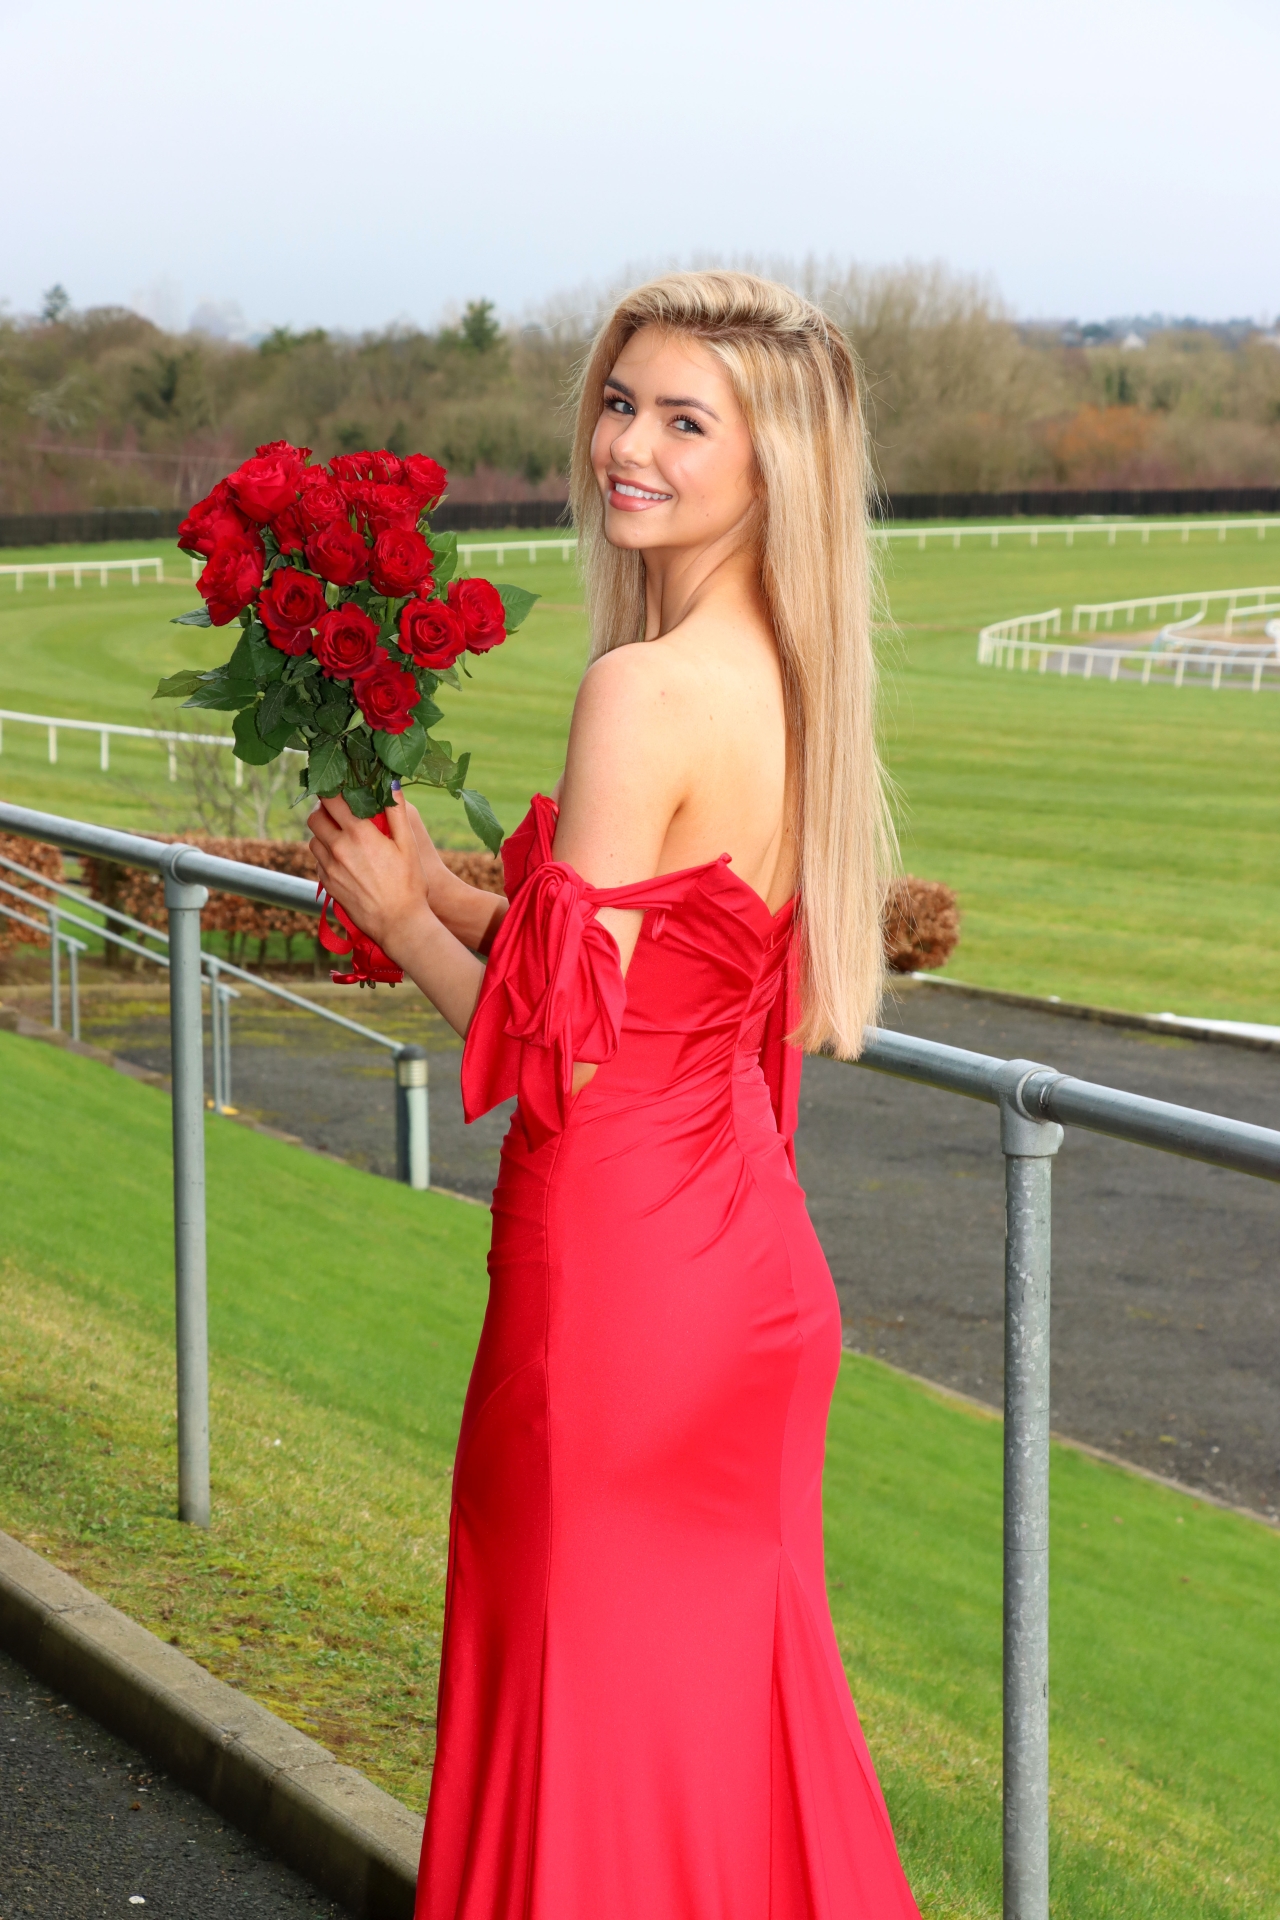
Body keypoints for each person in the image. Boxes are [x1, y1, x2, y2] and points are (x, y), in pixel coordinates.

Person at [308, 271, 920, 1920]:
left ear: (770, 461)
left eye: (680, 418)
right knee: (722, 1734)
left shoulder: (640, 692)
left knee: (583, 1724)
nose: (625, 446)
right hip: (755, 1295)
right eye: (618, 401)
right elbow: (654, 989)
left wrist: (382, 924)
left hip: (619, 1301)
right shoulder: (795, 682)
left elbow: (561, 1068)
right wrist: (444, 896)